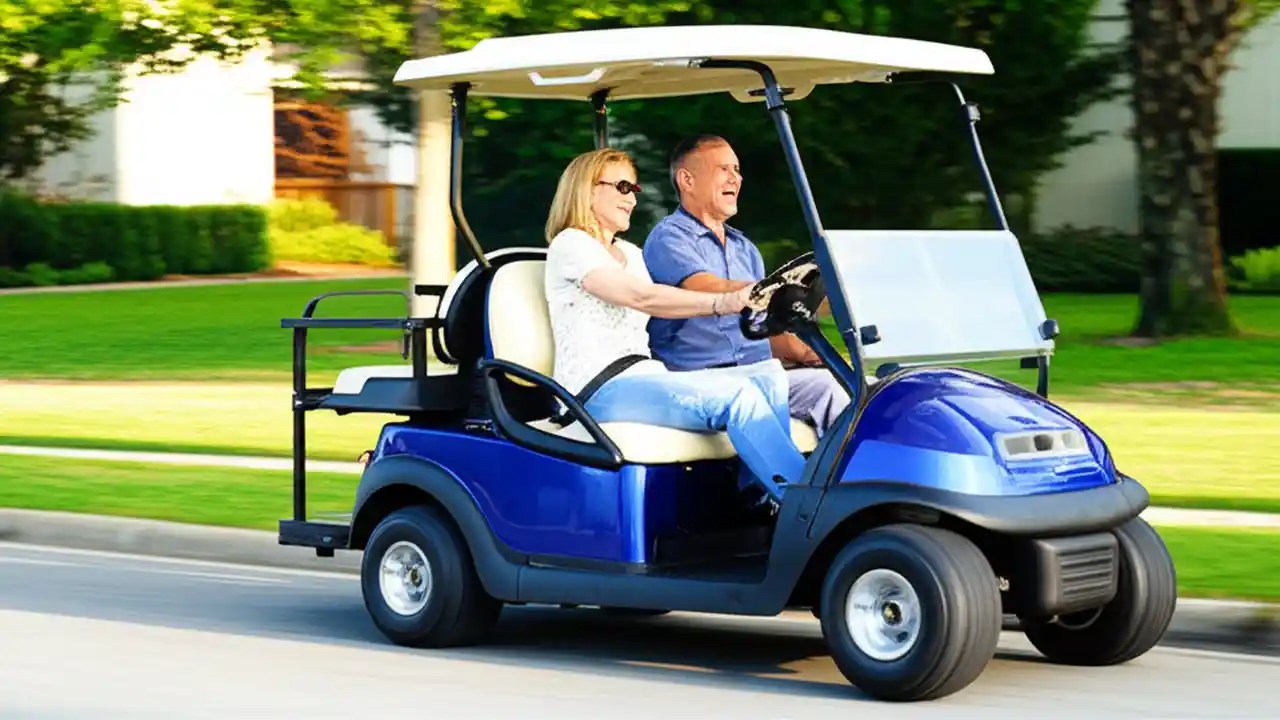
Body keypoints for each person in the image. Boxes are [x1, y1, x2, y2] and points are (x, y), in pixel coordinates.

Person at [543, 147, 806, 493]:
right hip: (596, 390)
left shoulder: (632, 255)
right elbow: (643, 298)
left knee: (768, 374)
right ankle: (805, 503)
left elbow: (667, 306)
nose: (632, 200)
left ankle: (759, 497)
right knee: (738, 396)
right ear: (587, 188)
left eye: (634, 190)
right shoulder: (571, 245)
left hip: (645, 376)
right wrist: (725, 301)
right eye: (623, 188)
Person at [642, 134, 851, 437]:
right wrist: (775, 291)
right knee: (827, 389)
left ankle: (857, 479)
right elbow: (706, 288)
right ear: (687, 180)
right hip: (700, 380)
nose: (735, 178)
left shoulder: (745, 248)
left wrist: (812, 351)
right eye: (723, 169)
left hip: (758, 374)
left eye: (737, 170)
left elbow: (759, 327)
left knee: (856, 387)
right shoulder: (669, 238)